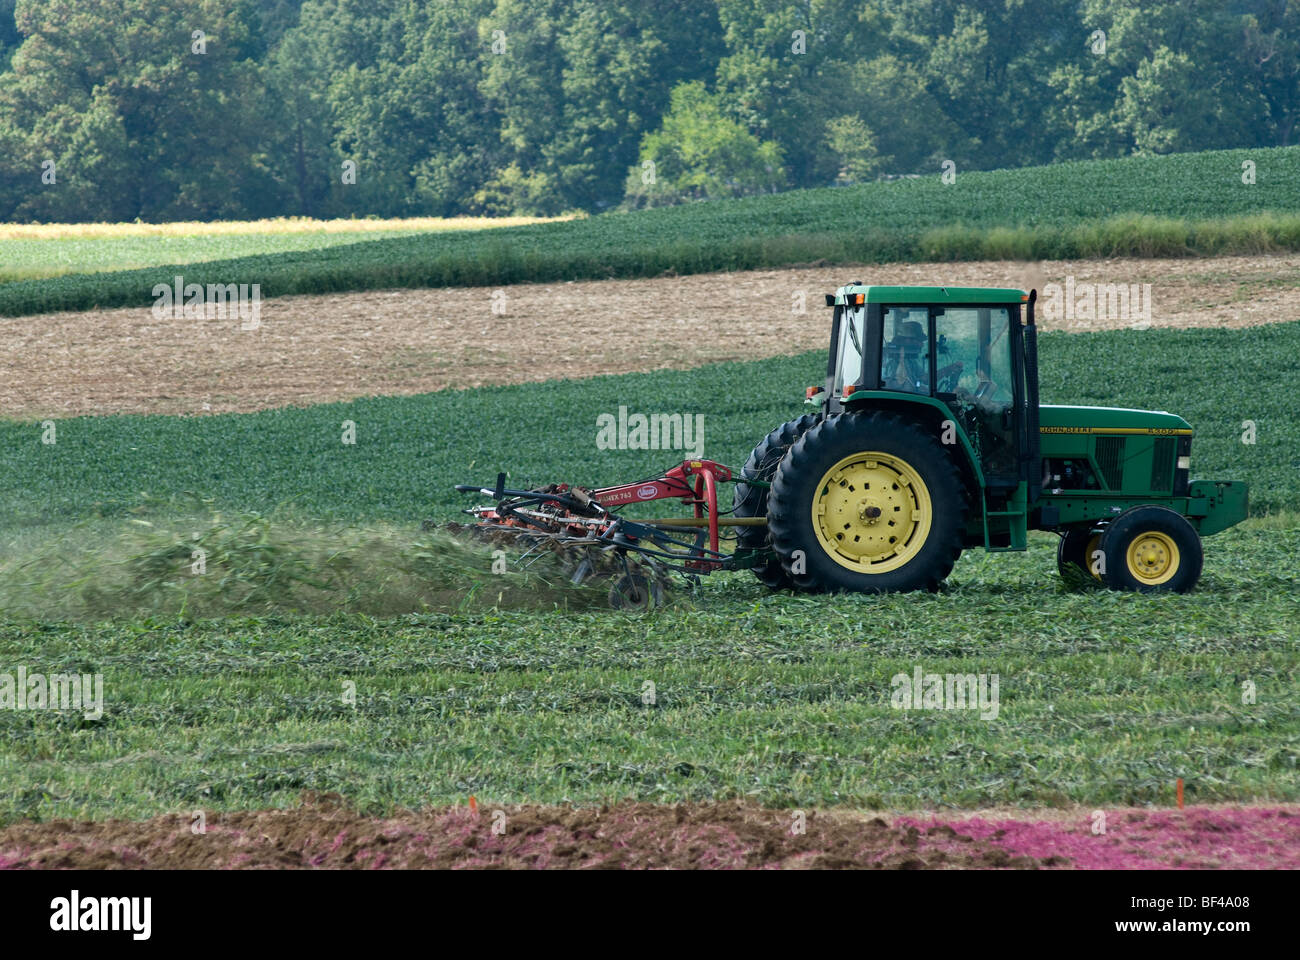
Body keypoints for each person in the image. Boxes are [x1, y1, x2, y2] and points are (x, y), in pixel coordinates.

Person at [881, 320, 929, 392]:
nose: (921, 344)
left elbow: (925, 378)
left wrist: (948, 369)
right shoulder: (890, 360)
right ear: (907, 340)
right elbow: (895, 388)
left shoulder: (910, 361)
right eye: (918, 340)